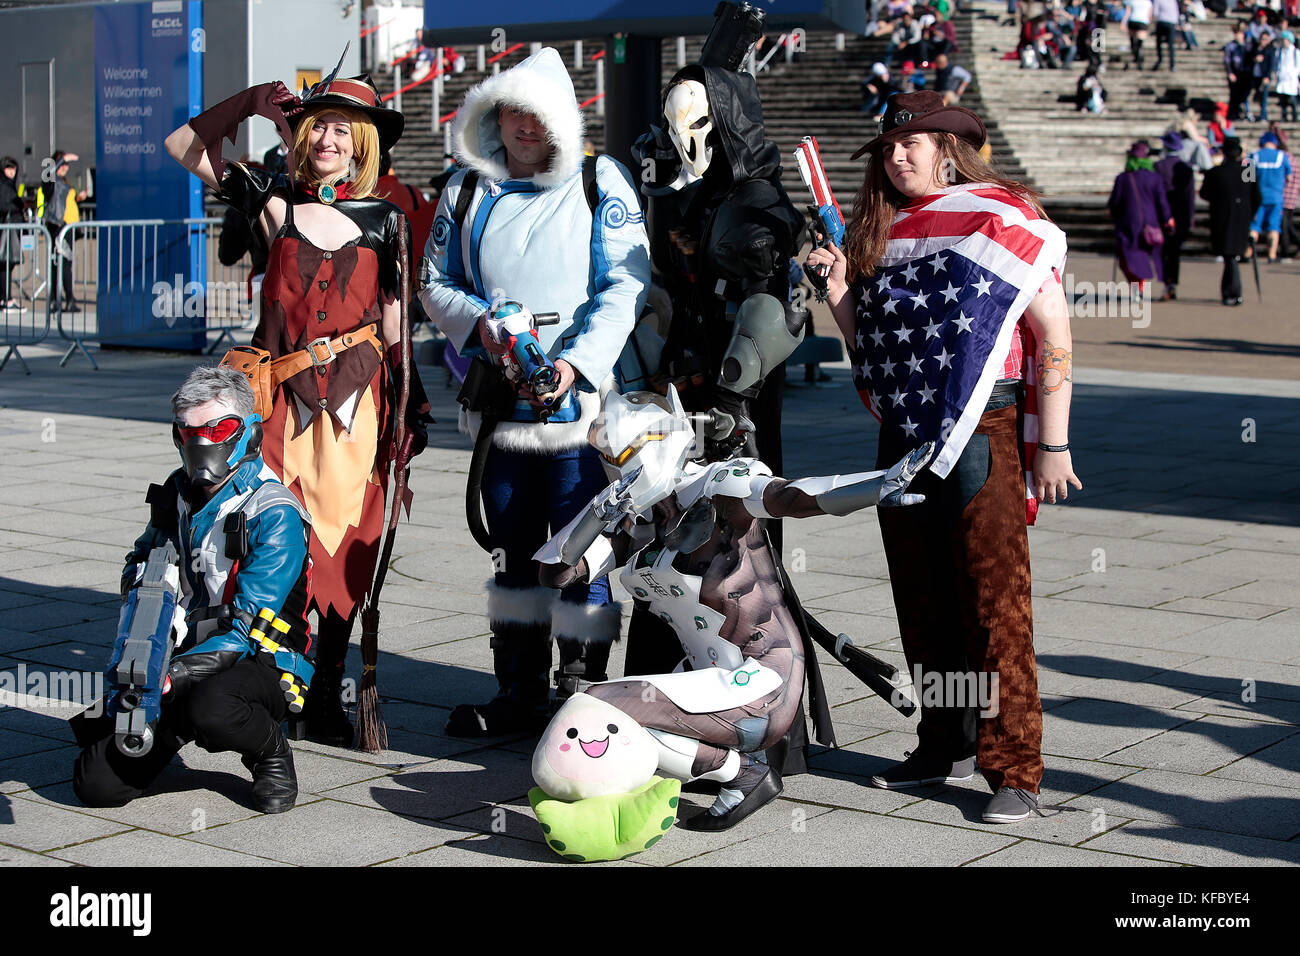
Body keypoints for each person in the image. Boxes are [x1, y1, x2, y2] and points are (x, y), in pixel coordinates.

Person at [806, 91, 1080, 824]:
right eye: (889, 145)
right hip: (904, 432)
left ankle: (1014, 767)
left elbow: (1052, 325)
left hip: (983, 427)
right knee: (921, 595)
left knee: (994, 602)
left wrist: (1053, 442)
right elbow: (879, 351)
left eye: (913, 142)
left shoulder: (1003, 217)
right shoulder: (881, 230)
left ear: (950, 148)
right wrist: (837, 291)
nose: (897, 155)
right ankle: (943, 740)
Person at [165, 70, 432, 749]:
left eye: (345, 128)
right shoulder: (270, 205)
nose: (330, 139)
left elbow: (397, 323)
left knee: (349, 548)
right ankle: (278, 684)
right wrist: (250, 100)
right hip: (281, 405)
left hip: (360, 408)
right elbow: (181, 144)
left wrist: (413, 403)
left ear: (363, 142)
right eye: (319, 124)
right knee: (282, 542)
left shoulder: (388, 220)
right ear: (301, 132)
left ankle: (330, 697)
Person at [530, 388, 929, 831]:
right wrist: (596, 514)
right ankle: (730, 769)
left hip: (762, 681)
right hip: (705, 679)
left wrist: (872, 487)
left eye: (622, 454)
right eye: (609, 458)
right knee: (613, 721)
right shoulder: (641, 523)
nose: (617, 467)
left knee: (598, 706)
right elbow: (557, 575)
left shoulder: (718, 485)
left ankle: (744, 775)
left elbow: (788, 497)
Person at [419, 48, 651, 736]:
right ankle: (517, 693)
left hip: (582, 417)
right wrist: (483, 326)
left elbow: (626, 286)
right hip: (500, 414)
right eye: (513, 111)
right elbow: (435, 283)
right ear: (495, 114)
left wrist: (575, 366)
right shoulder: (465, 191)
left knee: (581, 555)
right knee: (513, 555)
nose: (525, 127)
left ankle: (583, 692)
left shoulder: (596, 180)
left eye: (538, 113)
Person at [71, 367, 313, 813]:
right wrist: (148, 606)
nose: (199, 442)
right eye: (186, 431)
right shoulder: (176, 493)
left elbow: (249, 628)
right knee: (96, 785)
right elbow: (137, 563)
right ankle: (175, 717)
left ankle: (270, 750)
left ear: (249, 432)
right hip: (177, 653)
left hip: (260, 660)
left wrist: (173, 678)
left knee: (212, 708)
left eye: (216, 428)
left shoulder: (274, 511)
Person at [1109, 141, 1174, 303]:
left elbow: (1114, 203)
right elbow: (1162, 202)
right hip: (1150, 224)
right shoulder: (1155, 178)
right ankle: (1141, 286)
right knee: (1144, 257)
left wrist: (1114, 215)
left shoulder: (1123, 179)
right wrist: (1167, 219)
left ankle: (1136, 286)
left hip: (1128, 224)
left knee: (1127, 260)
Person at [1200, 137, 1262, 305]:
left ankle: (1232, 292)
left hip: (1222, 216)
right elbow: (1256, 196)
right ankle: (1231, 291)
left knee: (1230, 255)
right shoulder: (1246, 171)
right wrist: (1250, 213)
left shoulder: (1216, 172)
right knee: (1232, 254)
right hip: (1242, 216)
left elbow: (1204, 194)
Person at [38, 151, 86, 313]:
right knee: (61, 264)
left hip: (69, 227)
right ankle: (62, 299)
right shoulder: (50, 181)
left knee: (64, 264)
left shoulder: (62, 182)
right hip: (59, 227)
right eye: (62, 164)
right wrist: (62, 159)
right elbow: (48, 174)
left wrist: (78, 198)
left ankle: (63, 299)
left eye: (66, 165)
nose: (65, 167)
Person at [1154, 132, 1195, 300]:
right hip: (1181, 213)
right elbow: (1190, 196)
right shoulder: (1186, 168)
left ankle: (1167, 283)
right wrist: (1190, 218)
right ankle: (1172, 283)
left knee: (1164, 251)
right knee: (1175, 251)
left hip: (1162, 214)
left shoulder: (1159, 166)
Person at [1248, 131, 1293, 261]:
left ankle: (1248, 253)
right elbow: (1289, 177)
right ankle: (1271, 255)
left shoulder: (1253, 156)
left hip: (1257, 198)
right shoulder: (1282, 156)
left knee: (1254, 226)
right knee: (1274, 227)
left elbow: (1246, 178)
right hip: (1276, 197)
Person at [0, 157, 24, 310]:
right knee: (5, 265)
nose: (11, 172)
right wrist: (19, 205)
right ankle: (6, 299)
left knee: (7, 265)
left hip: (12, 227)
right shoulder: (3, 185)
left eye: (13, 169)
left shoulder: (9, 185)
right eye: (8, 168)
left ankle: (4, 298)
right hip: (7, 229)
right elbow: (3, 205)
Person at [1224, 26, 1253, 120]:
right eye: (1236, 33)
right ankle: (1233, 113)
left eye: (1239, 33)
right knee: (1234, 95)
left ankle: (1244, 112)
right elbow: (1227, 60)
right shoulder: (1230, 45)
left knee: (1244, 94)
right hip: (1235, 73)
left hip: (1245, 74)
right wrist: (1230, 72)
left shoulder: (1248, 45)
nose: (1237, 35)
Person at [1121, 0, 1154, 69]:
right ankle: (1139, 59)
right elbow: (1150, 15)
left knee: (1133, 41)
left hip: (1133, 20)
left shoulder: (1132, 1)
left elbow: (1128, 12)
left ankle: (1136, 57)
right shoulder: (1148, 2)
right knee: (1140, 43)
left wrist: (1123, 22)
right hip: (1143, 22)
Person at [1274, 31, 1299, 122]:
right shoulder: (1280, 51)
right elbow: (1277, 63)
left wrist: (1293, 75)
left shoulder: (1295, 52)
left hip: (1291, 79)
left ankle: (1294, 116)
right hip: (1282, 78)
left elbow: (1298, 66)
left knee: (1292, 100)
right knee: (1282, 99)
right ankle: (1284, 116)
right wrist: (1277, 72)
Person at [1152, 0, 1183, 69]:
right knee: (1171, 44)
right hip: (1171, 22)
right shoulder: (1173, 1)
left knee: (1158, 42)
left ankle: (1160, 59)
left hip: (1161, 21)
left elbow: (1155, 12)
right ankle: (1172, 64)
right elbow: (1176, 12)